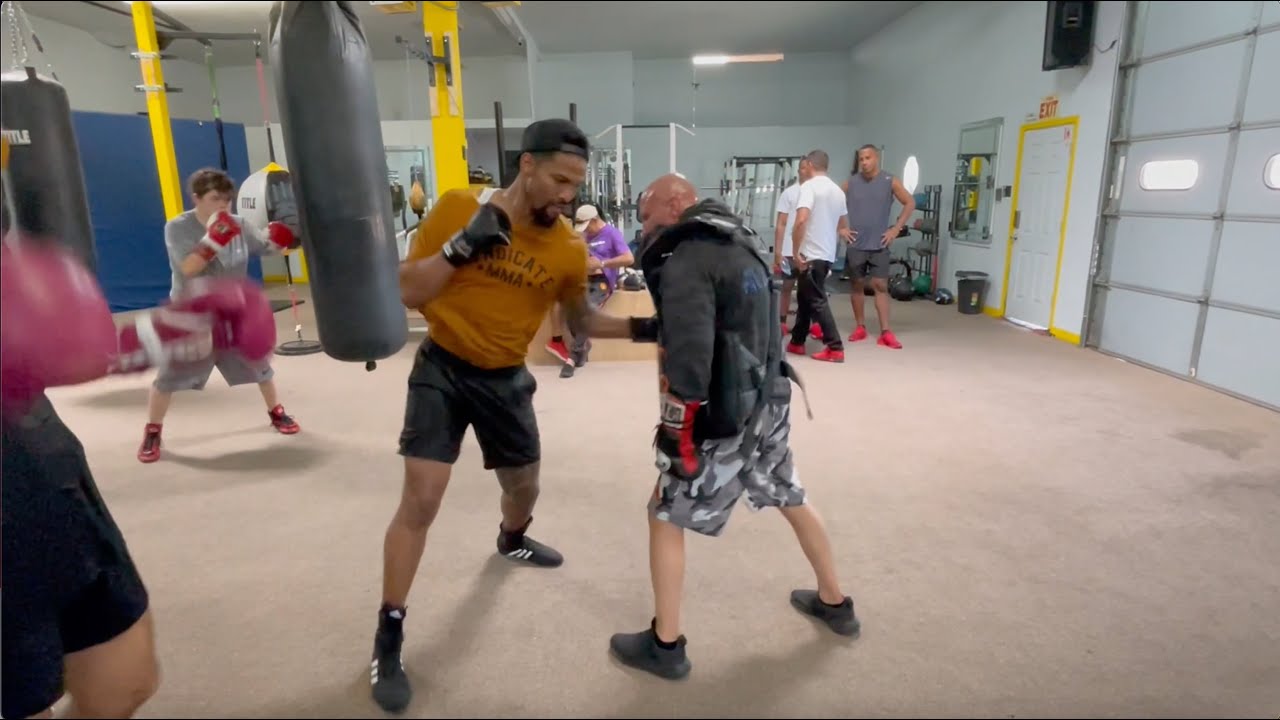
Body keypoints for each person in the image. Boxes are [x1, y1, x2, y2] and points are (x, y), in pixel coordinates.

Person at [373, 118, 658, 713]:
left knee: (524, 486)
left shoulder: (567, 248)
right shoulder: (457, 207)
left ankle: (512, 537)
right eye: (559, 180)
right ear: (527, 165)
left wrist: (649, 327)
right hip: (442, 368)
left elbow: (581, 321)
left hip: (505, 379)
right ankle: (389, 634)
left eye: (576, 185)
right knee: (420, 501)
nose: (568, 196)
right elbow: (409, 290)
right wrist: (460, 247)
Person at [2, 228, 278, 718]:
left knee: (126, 681)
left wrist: (148, 341)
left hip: (37, 455)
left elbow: (24, 330)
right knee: (27, 702)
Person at [608, 174, 860, 681]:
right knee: (789, 493)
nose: (644, 228)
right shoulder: (740, 242)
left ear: (675, 204)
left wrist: (678, 432)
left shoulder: (687, 258)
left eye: (648, 215)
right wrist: (621, 329)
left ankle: (665, 645)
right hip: (768, 397)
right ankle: (835, 602)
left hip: (723, 413)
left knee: (663, 512)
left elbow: (690, 354)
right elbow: (718, 323)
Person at [137, 167, 301, 464]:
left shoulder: (239, 224)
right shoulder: (177, 228)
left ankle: (276, 412)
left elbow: (265, 246)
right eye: (215, 198)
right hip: (193, 315)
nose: (223, 205)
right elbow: (188, 268)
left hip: (231, 312)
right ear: (196, 198)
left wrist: (285, 232)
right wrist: (214, 239)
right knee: (168, 376)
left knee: (259, 365)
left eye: (227, 199)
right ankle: (153, 430)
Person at [546, 203, 635, 378]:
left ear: (595, 220)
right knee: (569, 311)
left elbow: (629, 258)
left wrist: (602, 263)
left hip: (601, 281)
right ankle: (582, 347)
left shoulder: (611, 234)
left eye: (587, 226)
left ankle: (572, 357)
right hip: (582, 280)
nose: (586, 231)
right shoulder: (583, 235)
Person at [841, 145, 915, 349]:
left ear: (877, 158)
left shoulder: (889, 180)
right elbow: (833, 202)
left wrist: (896, 229)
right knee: (857, 285)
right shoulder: (851, 183)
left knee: (880, 286)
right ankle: (860, 327)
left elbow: (909, 202)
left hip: (880, 243)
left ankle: (885, 331)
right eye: (861, 159)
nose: (864, 162)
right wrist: (842, 228)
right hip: (856, 243)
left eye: (868, 158)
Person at [787, 150, 854, 363]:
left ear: (809, 165)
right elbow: (843, 225)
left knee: (817, 300)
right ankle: (797, 341)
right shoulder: (838, 191)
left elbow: (801, 221)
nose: (802, 170)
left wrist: (795, 251)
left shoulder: (809, 187)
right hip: (826, 254)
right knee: (805, 298)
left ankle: (835, 347)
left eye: (804, 166)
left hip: (810, 254)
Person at [772, 167, 808, 335]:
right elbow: (781, 223)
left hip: (809, 250)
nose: (805, 171)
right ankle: (782, 322)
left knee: (808, 289)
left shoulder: (816, 192)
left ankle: (810, 324)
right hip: (788, 250)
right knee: (787, 286)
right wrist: (778, 251)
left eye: (808, 168)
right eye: (802, 168)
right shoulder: (789, 193)